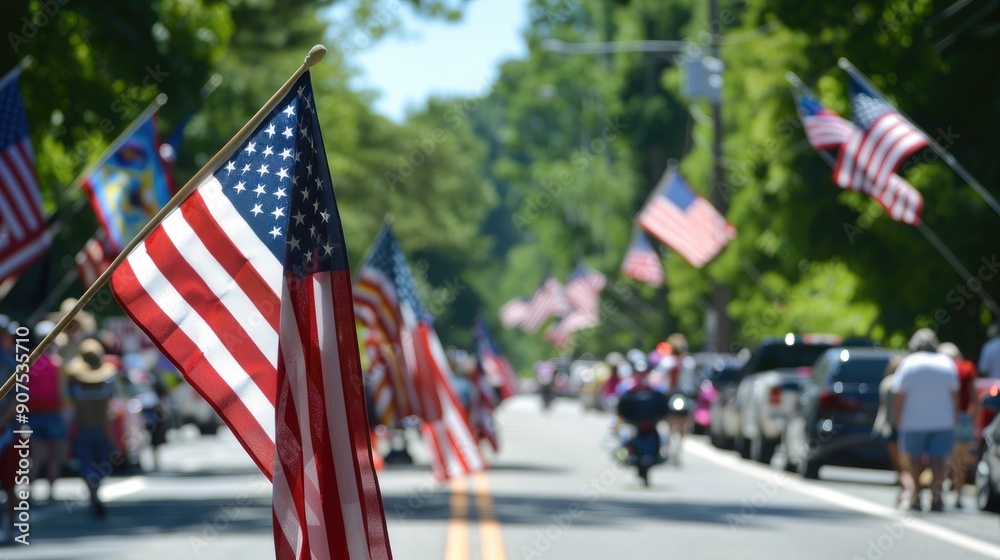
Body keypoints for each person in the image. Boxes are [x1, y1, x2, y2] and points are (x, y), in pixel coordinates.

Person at [892, 328, 959, 512]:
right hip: (942, 420)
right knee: (939, 459)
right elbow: (955, 394)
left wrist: (897, 417)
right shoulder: (946, 363)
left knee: (913, 459)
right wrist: (954, 417)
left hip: (913, 420)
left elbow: (899, 394)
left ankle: (916, 495)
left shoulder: (909, 363)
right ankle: (937, 496)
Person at [65, 338, 119, 518]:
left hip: (83, 430)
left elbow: (71, 413)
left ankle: (93, 493)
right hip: (100, 431)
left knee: (87, 466)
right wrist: (113, 440)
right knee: (100, 465)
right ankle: (95, 492)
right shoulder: (105, 388)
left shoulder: (76, 388)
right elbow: (106, 417)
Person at [26, 321, 68, 501]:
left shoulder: (27, 362)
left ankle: (29, 491)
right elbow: (61, 391)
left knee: (37, 454)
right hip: (52, 413)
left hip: (33, 412)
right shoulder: (56, 363)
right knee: (56, 453)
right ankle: (51, 491)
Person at [937, 341, 978, 508]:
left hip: (945, 418)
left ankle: (939, 493)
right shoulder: (967, 368)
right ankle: (958, 494)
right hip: (964, 418)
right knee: (961, 460)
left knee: (943, 458)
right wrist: (973, 418)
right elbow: (974, 398)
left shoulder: (941, 368)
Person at [651, 334, 696, 465]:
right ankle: (669, 446)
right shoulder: (667, 362)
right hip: (670, 395)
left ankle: (678, 450)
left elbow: (691, 380)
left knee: (684, 423)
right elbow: (657, 376)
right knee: (668, 421)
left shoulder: (688, 362)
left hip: (683, 395)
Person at [872, 355, 909, 498]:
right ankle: (905, 485)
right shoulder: (897, 383)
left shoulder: (887, 381)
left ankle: (903, 484)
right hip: (897, 424)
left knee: (897, 460)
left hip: (888, 425)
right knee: (902, 460)